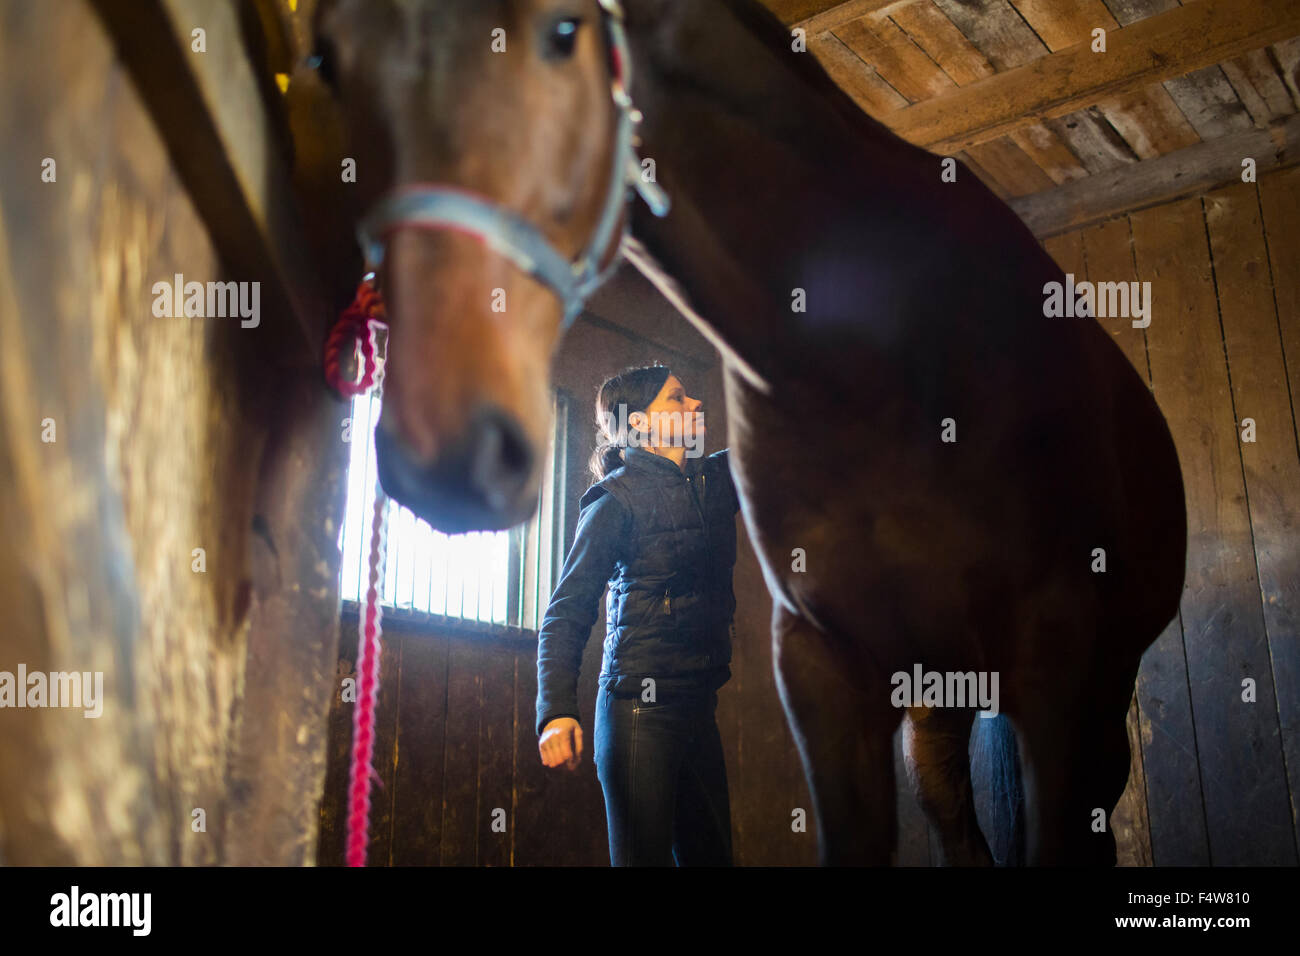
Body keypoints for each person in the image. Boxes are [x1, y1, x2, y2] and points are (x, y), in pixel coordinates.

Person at [535, 364, 741, 866]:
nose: (694, 406)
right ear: (642, 424)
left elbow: (777, 440)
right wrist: (556, 710)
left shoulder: (715, 481)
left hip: (699, 705)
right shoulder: (615, 500)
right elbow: (567, 610)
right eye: (677, 399)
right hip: (638, 714)